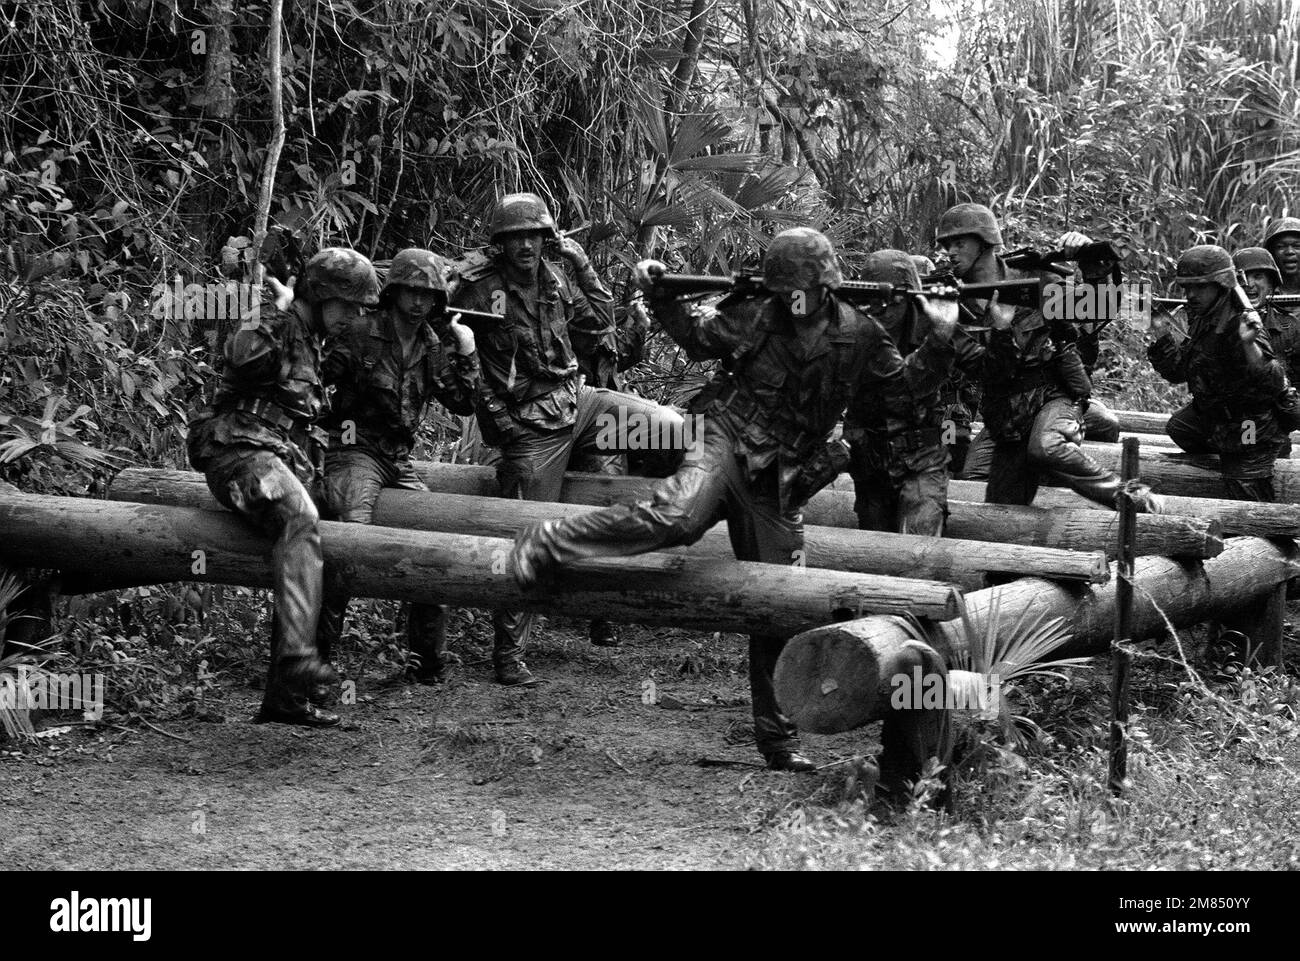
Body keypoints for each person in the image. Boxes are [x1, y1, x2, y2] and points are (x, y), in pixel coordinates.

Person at [509, 227, 961, 771]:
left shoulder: (861, 334)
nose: (791, 301)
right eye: (783, 290)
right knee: (675, 516)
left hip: (781, 475)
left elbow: (905, 394)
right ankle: (552, 540)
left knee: (777, 600)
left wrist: (939, 337)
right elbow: (699, 339)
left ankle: (778, 741)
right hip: (727, 438)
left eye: (800, 290)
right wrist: (661, 296)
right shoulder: (757, 313)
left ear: (825, 287)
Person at [448, 193, 684, 680]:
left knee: (676, 429)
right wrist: (505, 428)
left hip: (581, 406)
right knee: (528, 534)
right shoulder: (478, 290)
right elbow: (467, 371)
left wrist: (582, 265)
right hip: (533, 431)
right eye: (516, 238)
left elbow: (599, 328)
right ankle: (510, 654)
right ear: (501, 244)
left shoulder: (555, 278)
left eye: (535, 236)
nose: (527, 246)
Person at [187, 248, 380, 727]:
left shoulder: (313, 338)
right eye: (349, 304)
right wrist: (277, 309)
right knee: (300, 521)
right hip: (238, 453)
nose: (356, 314)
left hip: (276, 457)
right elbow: (239, 353)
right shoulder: (279, 323)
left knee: (324, 544)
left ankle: (285, 698)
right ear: (319, 295)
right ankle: (297, 659)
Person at [315, 248, 482, 684]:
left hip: (399, 460)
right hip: (354, 451)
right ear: (394, 292)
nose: (420, 302)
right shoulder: (359, 331)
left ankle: (426, 662)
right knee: (347, 545)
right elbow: (315, 384)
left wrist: (466, 349)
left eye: (428, 295)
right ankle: (314, 664)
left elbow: (463, 402)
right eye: (412, 291)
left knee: (431, 550)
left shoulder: (431, 344)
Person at [934, 203, 1160, 511]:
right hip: (1009, 415)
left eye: (959, 243)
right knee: (1003, 512)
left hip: (1053, 395)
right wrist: (1000, 330)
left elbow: (1097, 311)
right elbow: (987, 372)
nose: (951, 252)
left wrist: (1093, 264)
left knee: (1045, 447)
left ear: (985, 243)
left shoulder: (1033, 281)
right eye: (947, 245)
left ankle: (1131, 495)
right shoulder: (951, 304)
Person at [845, 249, 979, 534]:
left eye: (894, 300)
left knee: (918, 547)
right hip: (870, 461)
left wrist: (998, 329)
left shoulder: (935, 323)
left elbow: (985, 370)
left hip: (923, 456)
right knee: (875, 551)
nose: (883, 309)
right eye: (875, 300)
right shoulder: (853, 328)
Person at [1149, 245, 1297, 501]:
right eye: (1187, 288)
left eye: (1200, 287)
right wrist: (1159, 329)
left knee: (1249, 507)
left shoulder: (1242, 322)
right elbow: (1177, 370)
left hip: (1252, 424)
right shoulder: (1205, 318)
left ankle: (1266, 455)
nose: (1191, 295)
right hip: (1220, 416)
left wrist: (1250, 346)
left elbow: (1272, 381)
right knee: (1181, 427)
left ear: (1220, 285)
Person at [1262, 217, 1300, 296]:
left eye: (1297, 246)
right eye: (1281, 247)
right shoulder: (1260, 290)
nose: (1290, 252)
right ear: (1270, 252)